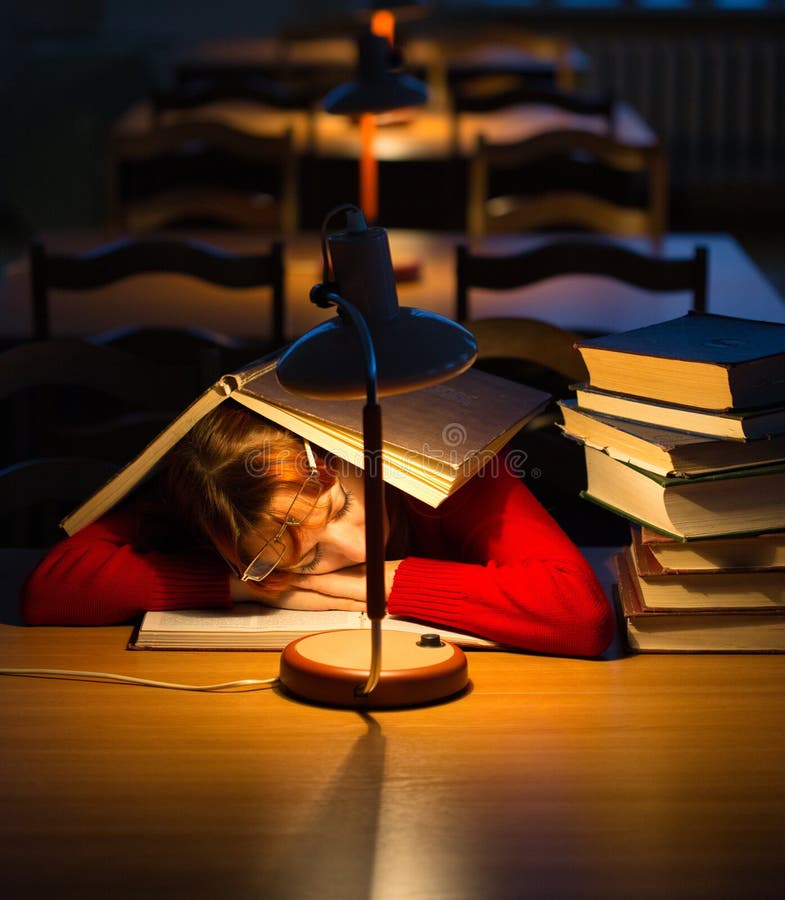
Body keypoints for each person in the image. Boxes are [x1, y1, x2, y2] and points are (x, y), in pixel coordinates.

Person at [21, 401, 614, 658]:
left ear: (344, 453)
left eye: (337, 510)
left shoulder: (446, 464)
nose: (355, 548)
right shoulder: (211, 499)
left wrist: (366, 583)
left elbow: (579, 615)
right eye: (305, 561)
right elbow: (51, 589)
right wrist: (248, 587)